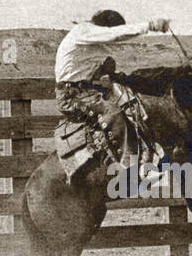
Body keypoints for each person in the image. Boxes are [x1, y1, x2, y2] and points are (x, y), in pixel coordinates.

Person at [54, 8, 168, 161]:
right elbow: (115, 34)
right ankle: (128, 165)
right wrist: (149, 26)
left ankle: (147, 149)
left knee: (131, 103)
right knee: (113, 113)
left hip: (83, 93)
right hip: (71, 99)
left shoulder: (87, 39)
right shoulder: (84, 31)